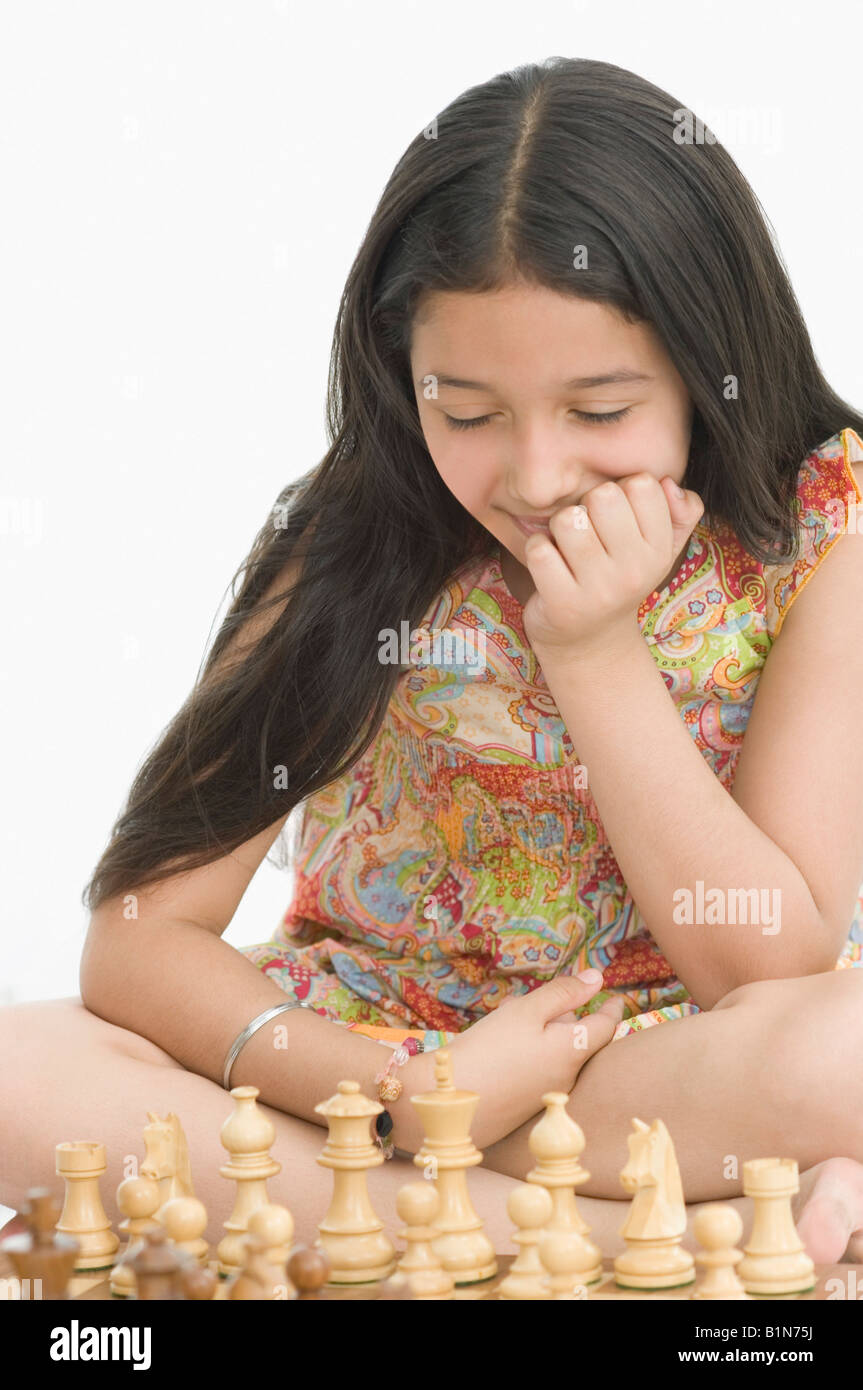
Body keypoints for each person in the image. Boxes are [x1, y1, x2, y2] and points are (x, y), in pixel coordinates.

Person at [4, 56, 863, 1265]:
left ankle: (421, 1216)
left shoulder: (820, 530)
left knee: (848, 1051)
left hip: (645, 1061)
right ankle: (619, 1234)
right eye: (465, 413)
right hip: (374, 1054)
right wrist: (412, 1090)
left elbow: (769, 958)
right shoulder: (354, 541)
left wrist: (592, 648)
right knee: (17, 1071)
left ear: (708, 363)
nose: (535, 474)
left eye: (600, 412)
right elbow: (142, 931)